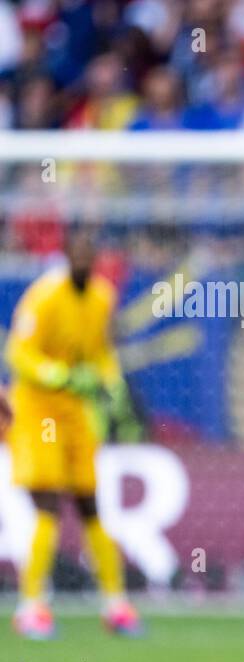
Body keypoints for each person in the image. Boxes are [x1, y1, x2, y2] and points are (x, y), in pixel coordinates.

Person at [6, 227, 142, 639]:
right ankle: (31, 607)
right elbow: (19, 351)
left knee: (90, 505)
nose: (84, 260)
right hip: (39, 411)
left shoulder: (102, 297)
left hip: (76, 412)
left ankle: (116, 605)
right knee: (47, 503)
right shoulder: (44, 296)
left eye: (90, 253)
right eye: (77, 253)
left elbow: (102, 352)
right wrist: (57, 374)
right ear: (66, 256)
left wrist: (113, 385)